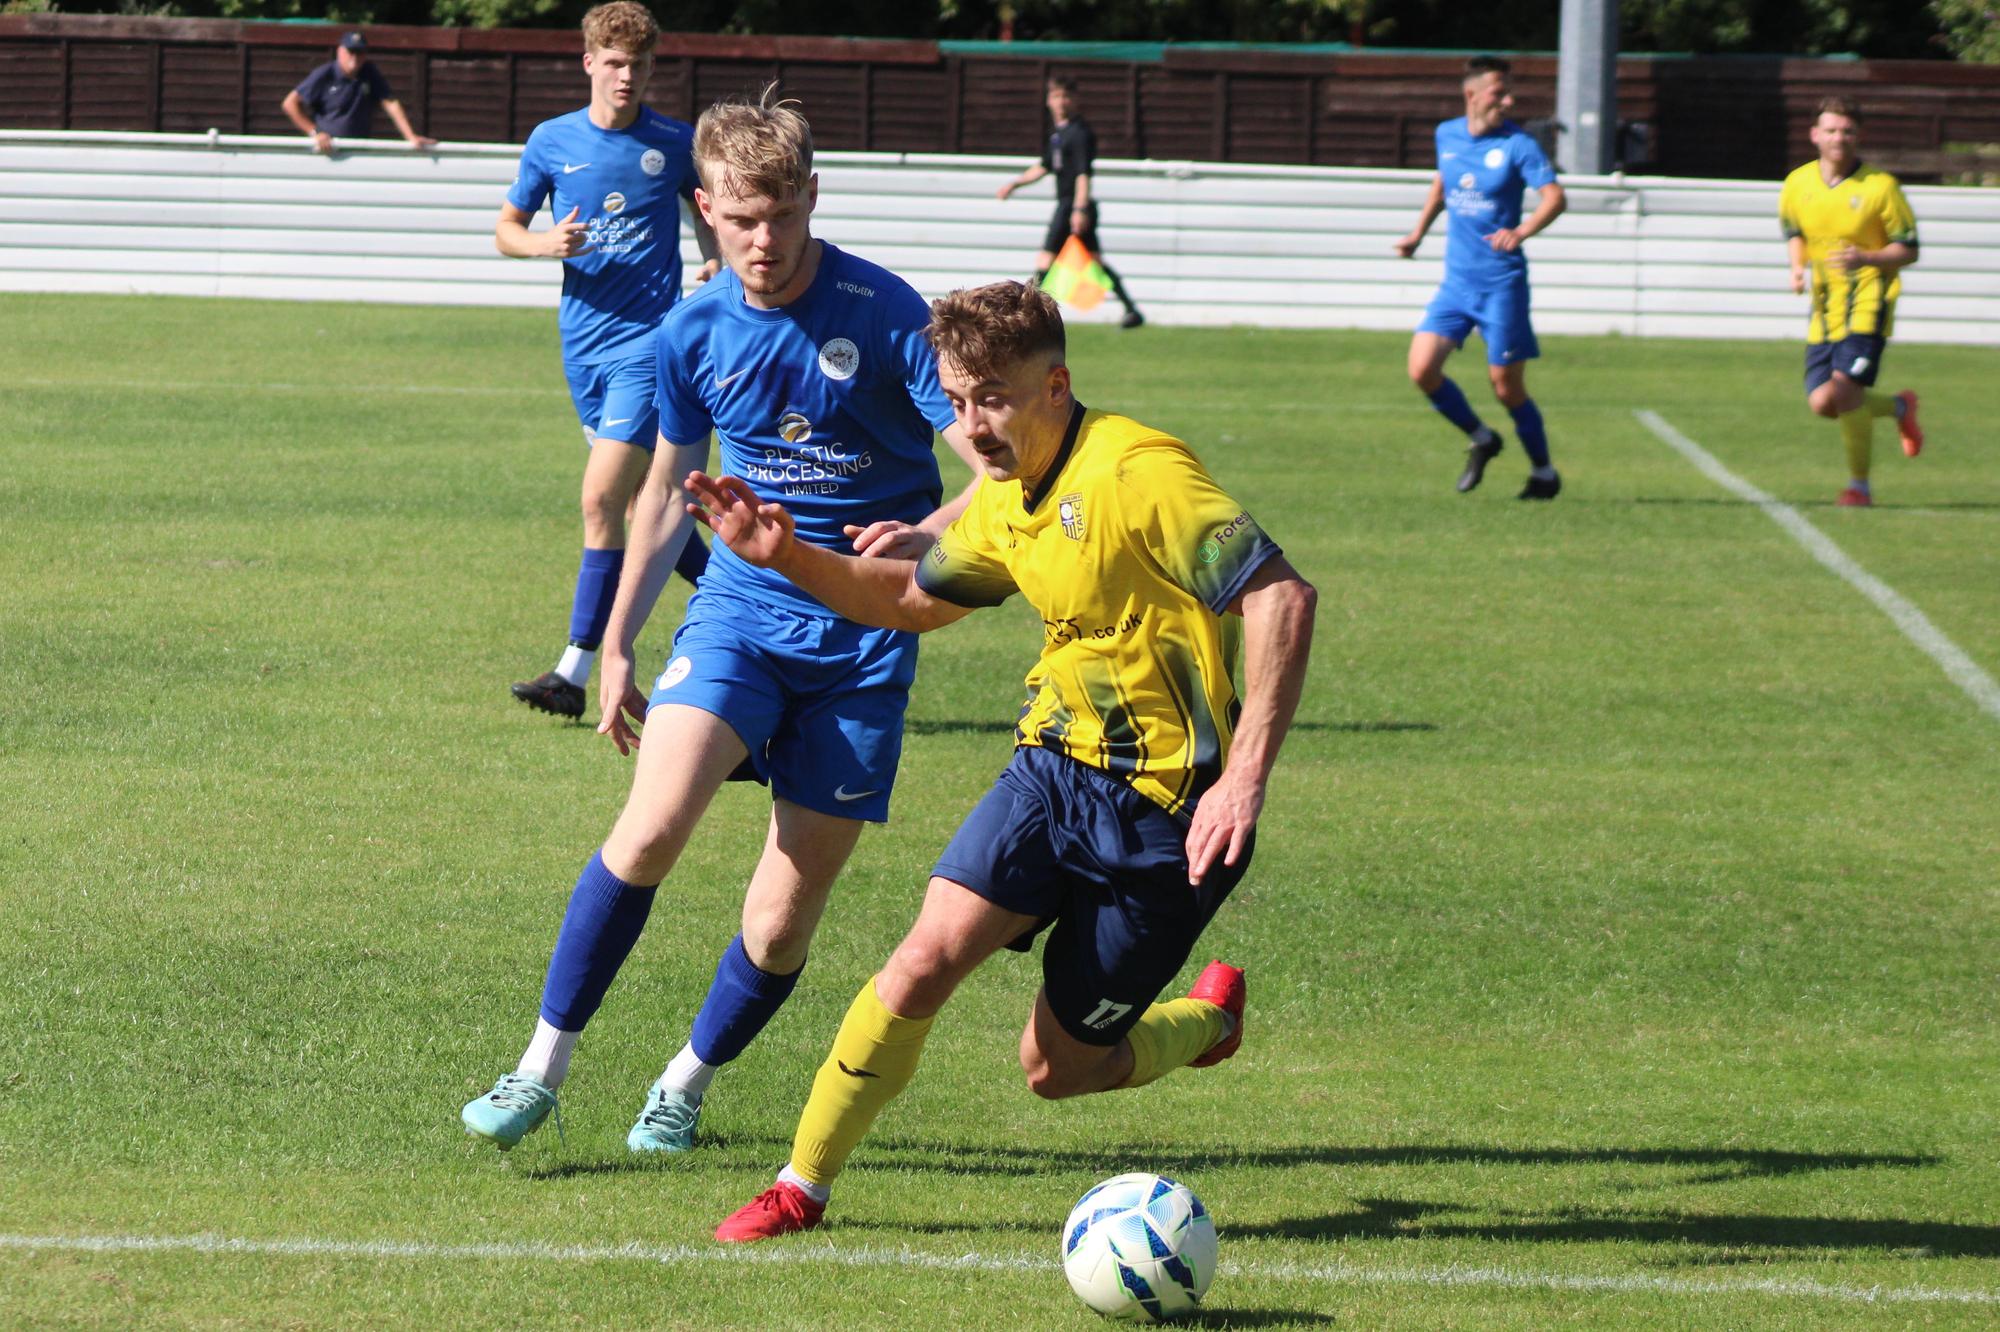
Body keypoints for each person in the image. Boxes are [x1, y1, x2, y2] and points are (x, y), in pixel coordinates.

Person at [692, 280, 1318, 1243]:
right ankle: (801, 1186)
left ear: (1056, 386)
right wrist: (784, 557)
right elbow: (910, 600)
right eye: (954, 399)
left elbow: (1281, 597)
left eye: (992, 397)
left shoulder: (1136, 472)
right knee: (919, 962)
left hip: (1173, 814)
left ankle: (1204, 1027)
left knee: (1057, 1070)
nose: (971, 424)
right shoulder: (1004, 495)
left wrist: (1246, 777)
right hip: (1053, 774)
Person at [461, 86, 983, 1157]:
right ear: (704, 206)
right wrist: (613, 642)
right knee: (649, 829)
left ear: (810, 199)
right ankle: (537, 1069)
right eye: (740, 218)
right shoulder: (687, 333)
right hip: (741, 616)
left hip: (867, 642)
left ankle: (683, 1082)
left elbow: (995, 467)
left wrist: (927, 533)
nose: (762, 240)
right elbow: (664, 494)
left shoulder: (887, 314)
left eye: (782, 215)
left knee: (781, 919)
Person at [499, 2, 719, 720]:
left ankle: (573, 668)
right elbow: (507, 229)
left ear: (652, 68)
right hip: (583, 348)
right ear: (589, 62)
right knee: (642, 505)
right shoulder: (550, 141)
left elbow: (711, 211)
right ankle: (741, 596)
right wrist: (542, 246)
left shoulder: (674, 141)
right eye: (615, 62)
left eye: (641, 65)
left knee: (601, 500)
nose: (628, 76)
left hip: (650, 346)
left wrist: (715, 262)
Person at [1393, 55, 1566, 500]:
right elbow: (1442, 185)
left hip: (1501, 285)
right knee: (1421, 369)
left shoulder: (1518, 145)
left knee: (1506, 387)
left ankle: (1544, 474)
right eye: (1498, 92)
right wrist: (1417, 234)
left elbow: (1555, 197)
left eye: (1509, 93)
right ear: (1471, 94)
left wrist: (1522, 230)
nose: (1507, 101)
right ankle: (1482, 437)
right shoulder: (1446, 134)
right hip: (1457, 283)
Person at [1779, 97, 1923, 508]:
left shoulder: (1880, 187)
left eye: (1847, 130)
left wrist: (1868, 258)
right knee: (1823, 402)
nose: (1839, 137)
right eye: (1831, 129)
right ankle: (1899, 406)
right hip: (1825, 309)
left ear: (1858, 136)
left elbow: (1909, 249)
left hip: (1868, 303)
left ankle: (1859, 487)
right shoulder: (1797, 183)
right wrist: (1796, 268)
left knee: (1844, 392)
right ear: (1815, 135)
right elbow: (1793, 230)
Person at [996, 77, 1145, 329]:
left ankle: (1028, 315)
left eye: (1065, 96)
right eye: (1056, 96)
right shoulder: (1058, 133)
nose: (1061, 102)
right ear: (1048, 101)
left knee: (1046, 259)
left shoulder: (1080, 134)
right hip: (1071, 206)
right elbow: (1044, 166)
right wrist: (1015, 184)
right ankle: (1132, 311)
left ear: (1075, 100)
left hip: (1072, 206)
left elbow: (1082, 174)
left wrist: (1079, 209)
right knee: (1094, 261)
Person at [280, 33, 436, 155]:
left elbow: (390, 102)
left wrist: (410, 136)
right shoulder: (325, 74)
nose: (355, 57)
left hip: (358, 150)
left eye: (360, 53)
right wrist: (315, 133)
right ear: (340, 51)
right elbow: (289, 103)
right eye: (351, 52)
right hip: (327, 152)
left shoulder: (369, 72)